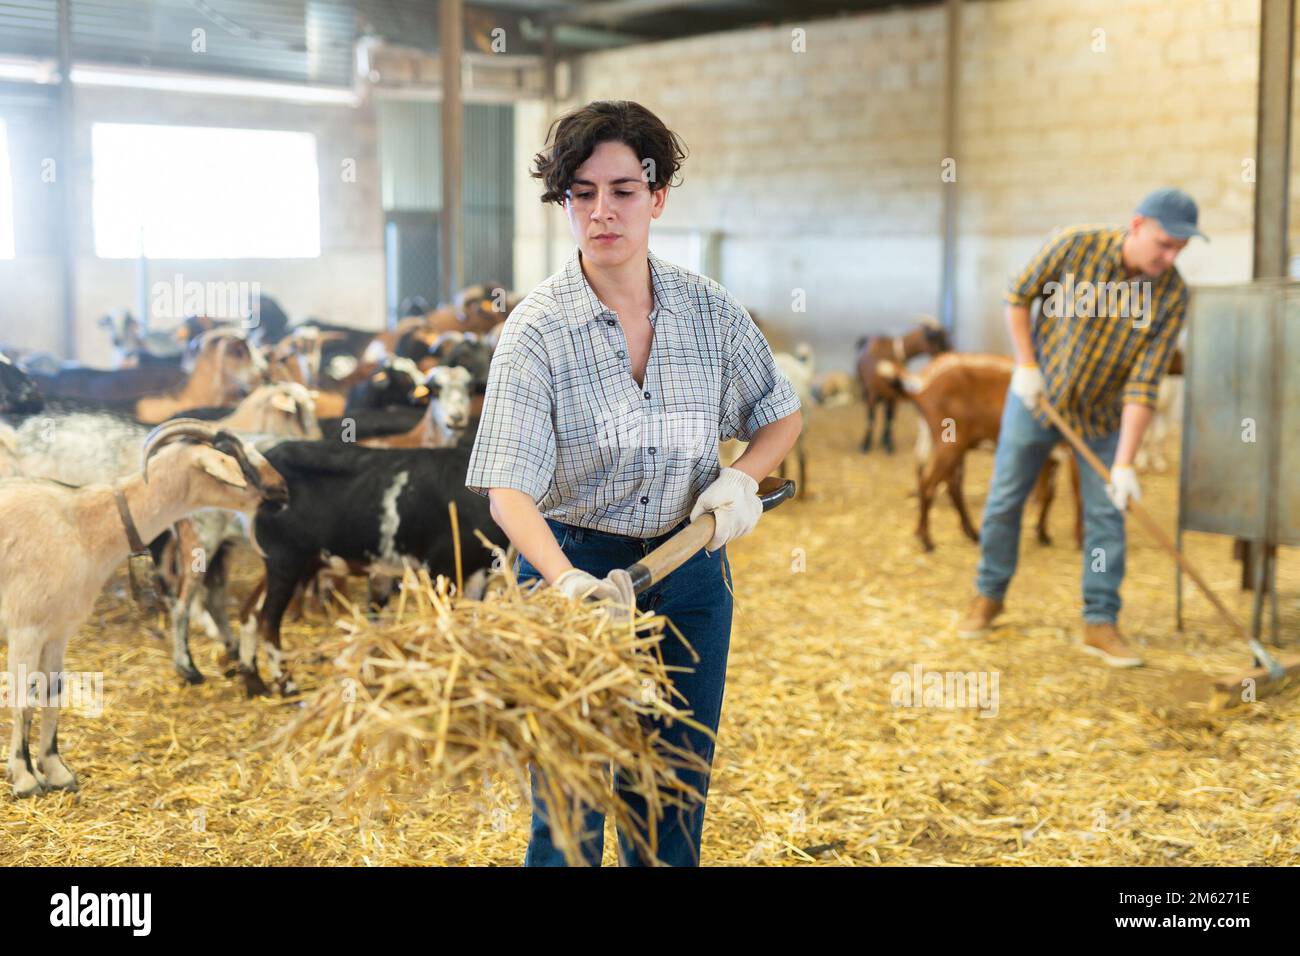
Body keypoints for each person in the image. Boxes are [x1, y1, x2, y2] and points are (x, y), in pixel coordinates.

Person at [464, 100, 803, 865]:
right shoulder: (536, 330)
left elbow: (781, 416)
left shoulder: (709, 310)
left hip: (689, 571)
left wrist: (741, 482)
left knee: (673, 790)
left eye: (622, 190)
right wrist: (566, 585)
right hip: (570, 572)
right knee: (570, 799)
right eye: (581, 193)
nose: (601, 211)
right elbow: (507, 491)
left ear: (657, 197)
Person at [956, 187, 1203, 667]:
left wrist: (1126, 463)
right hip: (1037, 400)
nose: (1170, 257)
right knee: (1006, 500)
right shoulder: (1073, 245)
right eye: (1164, 244)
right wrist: (1026, 367)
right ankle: (988, 595)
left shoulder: (1171, 295)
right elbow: (1017, 296)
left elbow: (1144, 382)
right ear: (1137, 226)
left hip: (1102, 419)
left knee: (1107, 514)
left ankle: (1100, 621)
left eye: (1180, 248)